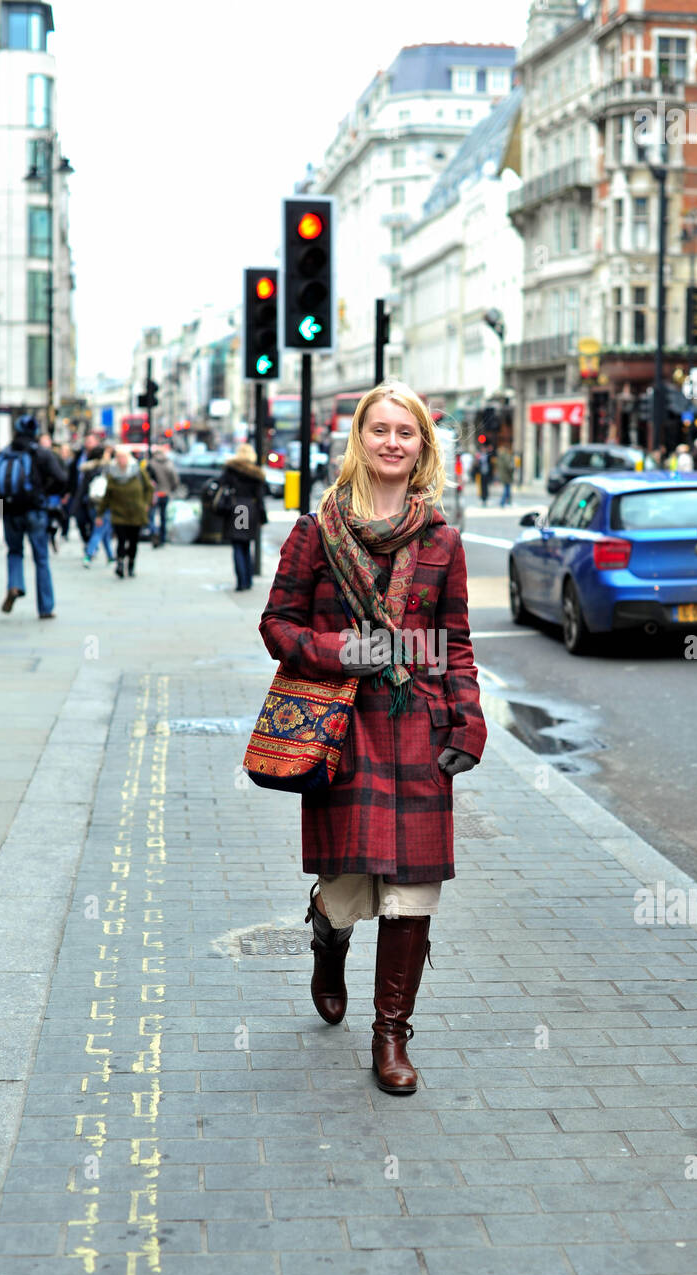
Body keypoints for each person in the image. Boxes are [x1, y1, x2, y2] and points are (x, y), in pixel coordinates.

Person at [258, 380, 487, 1095]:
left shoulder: (442, 539)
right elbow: (277, 625)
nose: (392, 442)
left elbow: (454, 642)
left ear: (422, 447)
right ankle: (328, 942)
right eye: (379, 430)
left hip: (417, 722)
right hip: (343, 726)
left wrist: (468, 723)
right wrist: (341, 652)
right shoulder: (316, 531)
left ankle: (390, 1034)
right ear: (359, 440)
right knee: (348, 885)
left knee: (413, 889)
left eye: (406, 432)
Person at [0, 414, 68, 619]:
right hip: (35, 510)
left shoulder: (5, 453)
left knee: (15, 552)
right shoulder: (41, 454)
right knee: (41, 558)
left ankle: (15, 585)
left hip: (10, 511)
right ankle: (45, 607)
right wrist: (45, 492)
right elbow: (62, 479)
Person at [93, 446, 154, 577]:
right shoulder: (113, 474)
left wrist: (146, 504)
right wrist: (100, 514)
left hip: (136, 512)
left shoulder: (138, 471)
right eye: (119, 457)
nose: (121, 460)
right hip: (119, 513)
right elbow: (107, 495)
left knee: (133, 541)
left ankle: (131, 563)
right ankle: (120, 563)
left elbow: (149, 488)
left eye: (124, 457)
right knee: (121, 540)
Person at [214, 442, 265, 590]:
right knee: (246, 545)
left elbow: (220, 484)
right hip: (250, 509)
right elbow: (260, 498)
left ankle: (241, 582)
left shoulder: (231, 470)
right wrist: (262, 517)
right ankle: (248, 580)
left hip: (236, 508)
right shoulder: (256, 473)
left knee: (237, 545)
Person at [82, 443, 115, 567]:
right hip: (103, 505)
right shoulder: (109, 469)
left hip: (91, 504)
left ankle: (110, 556)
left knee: (104, 531)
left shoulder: (89, 468)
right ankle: (89, 555)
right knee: (99, 531)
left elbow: (83, 489)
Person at [147, 445, 180, 548]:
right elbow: (175, 479)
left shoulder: (151, 463)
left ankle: (154, 533)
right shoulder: (168, 463)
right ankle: (162, 538)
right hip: (165, 493)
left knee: (151, 516)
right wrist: (171, 489)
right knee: (163, 517)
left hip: (154, 494)